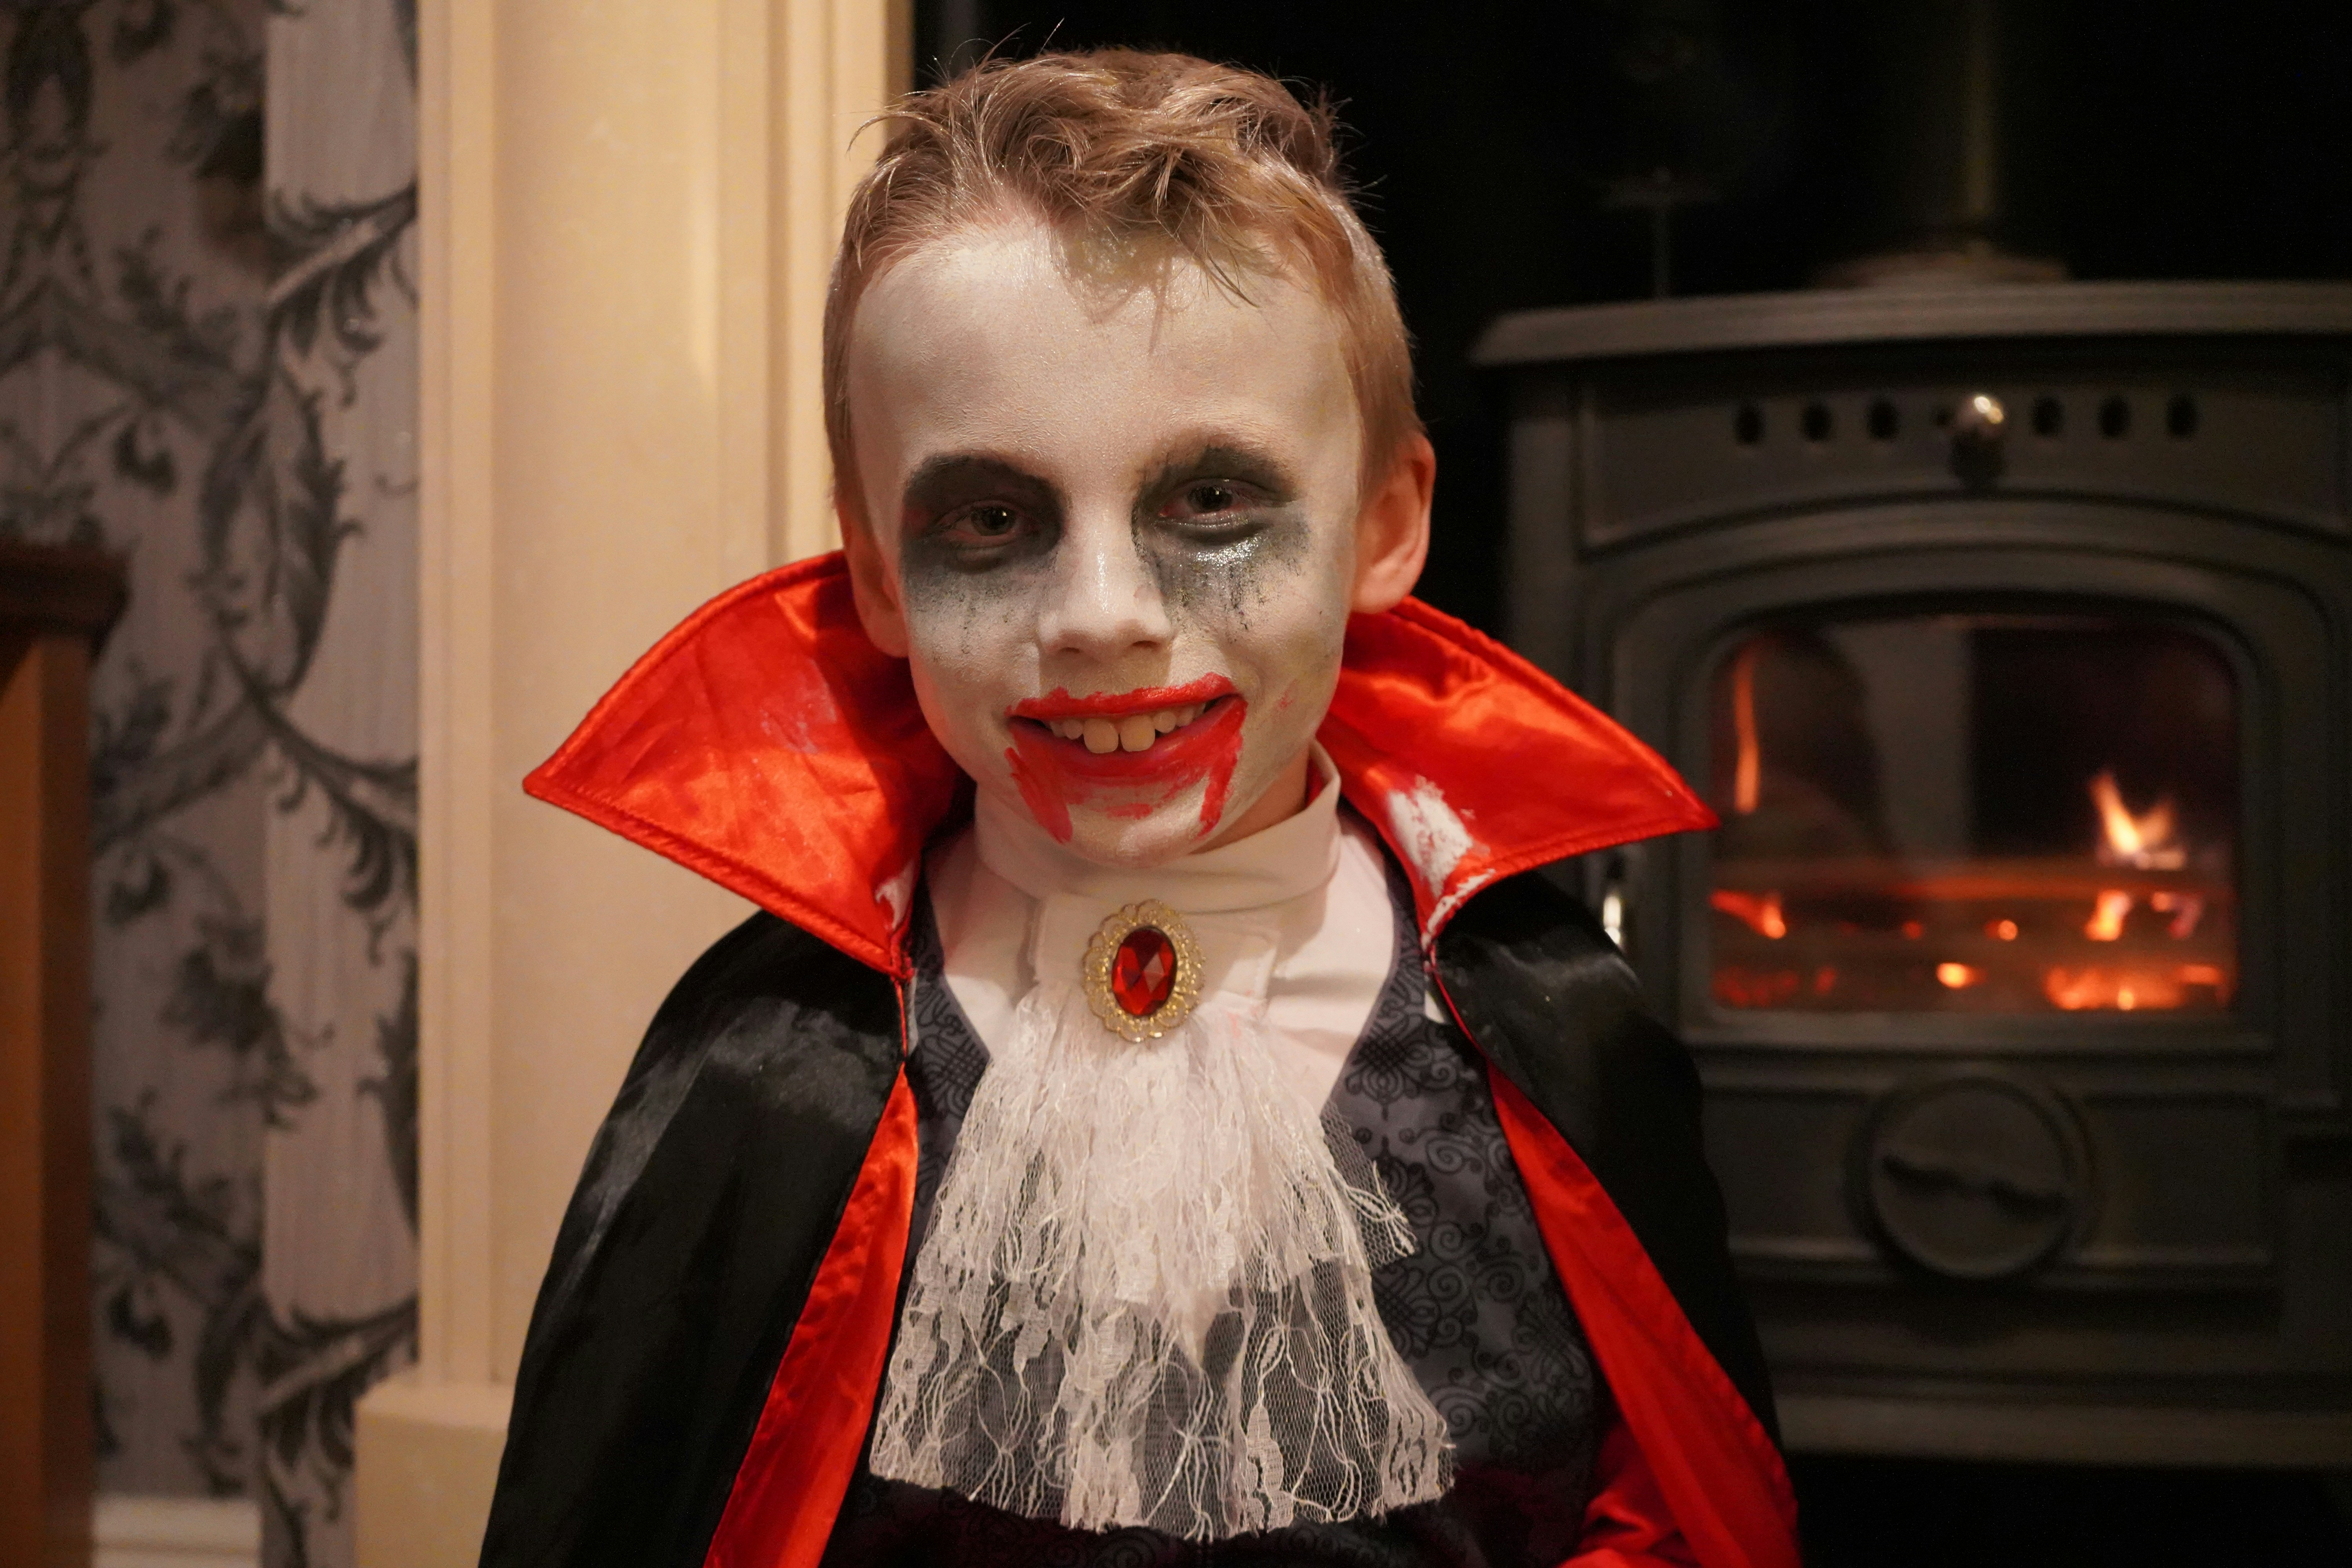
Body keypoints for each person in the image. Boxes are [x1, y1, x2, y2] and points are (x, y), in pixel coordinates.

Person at [479, 49, 1799, 1568]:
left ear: (1384, 523)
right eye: (991, 518)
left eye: (1213, 502)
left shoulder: (1560, 1036)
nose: (1103, 616)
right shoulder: (774, 1074)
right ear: (874, 573)